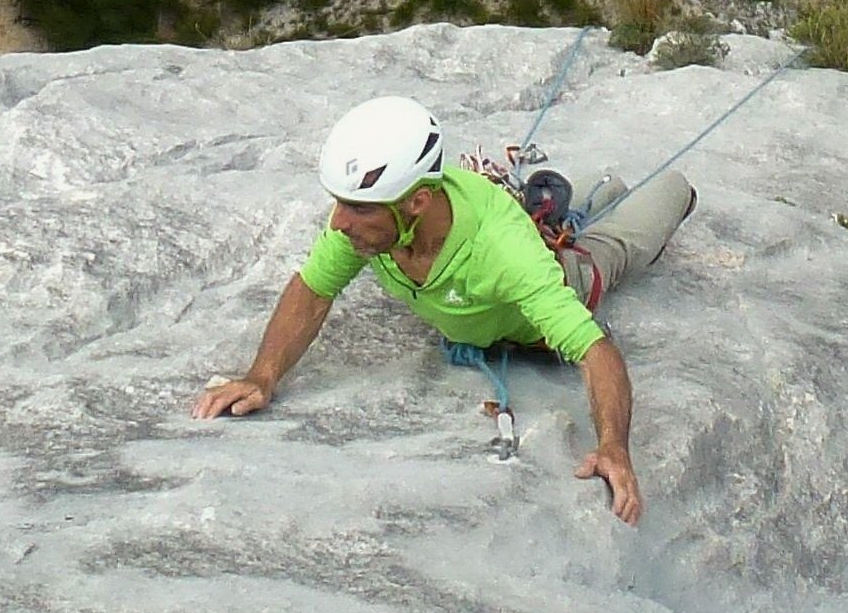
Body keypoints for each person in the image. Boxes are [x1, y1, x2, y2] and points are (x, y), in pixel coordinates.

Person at [192, 95, 695, 522]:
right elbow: (313, 290)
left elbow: (593, 348)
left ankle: (655, 191)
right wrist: (261, 376)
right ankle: (596, 186)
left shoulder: (503, 251)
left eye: (358, 208)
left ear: (417, 203)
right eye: (339, 202)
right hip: (502, 246)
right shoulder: (368, 225)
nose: (339, 222)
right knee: (589, 193)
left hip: (570, 278)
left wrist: (614, 448)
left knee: (642, 218)